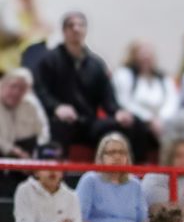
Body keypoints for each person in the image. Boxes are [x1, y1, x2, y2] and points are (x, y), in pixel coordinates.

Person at [33, 12, 150, 159]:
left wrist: (118, 112)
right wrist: (57, 107)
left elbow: (108, 99)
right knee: (60, 126)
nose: (76, 29)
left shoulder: (96, 64)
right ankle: (56, 170)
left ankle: (133, 169)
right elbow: (41, 91)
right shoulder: (49, 60)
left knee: (133, 124)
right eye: (71, 25)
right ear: (64, 31)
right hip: (59, 121)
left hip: (89, 123)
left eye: (80, 25)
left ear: (86, 30)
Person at [112, 41, 180, 147]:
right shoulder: (124, 74)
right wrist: (149, 119)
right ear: (133, 55)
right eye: (142, 54)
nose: (146, 57)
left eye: (149, 54)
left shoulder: (163, 78)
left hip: (162, 123)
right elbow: (125, 102)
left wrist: (161, 119)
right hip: (138, 122)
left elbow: (172, 101)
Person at [0, 68, 49, 158]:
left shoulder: (31, 103)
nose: (16, 92)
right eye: (13, 86)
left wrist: (39, 151)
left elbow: (43, 131)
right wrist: (11, 150)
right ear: (3, 84)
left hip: (26, 149)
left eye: (22, 88)